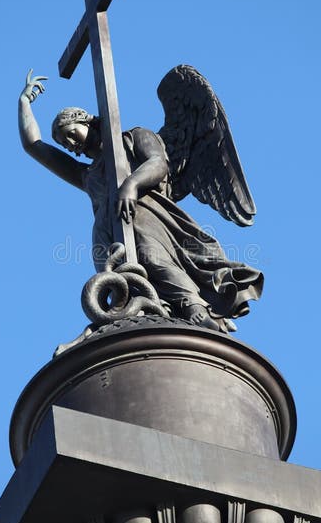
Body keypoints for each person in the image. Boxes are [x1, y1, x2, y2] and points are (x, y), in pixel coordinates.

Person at [18, 71, 263, 331]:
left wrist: (131, 184)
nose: (69, 144)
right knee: (119, 281)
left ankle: (194, 307)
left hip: (146, 215)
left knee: (154, 258)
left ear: (87, 121)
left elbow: (158, 163)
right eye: (64, 142)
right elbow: (35, 147)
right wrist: (24, 104)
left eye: (70, 133)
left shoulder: (134, 137)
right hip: (108, 237)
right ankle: (131, 312)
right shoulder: (87, 174)